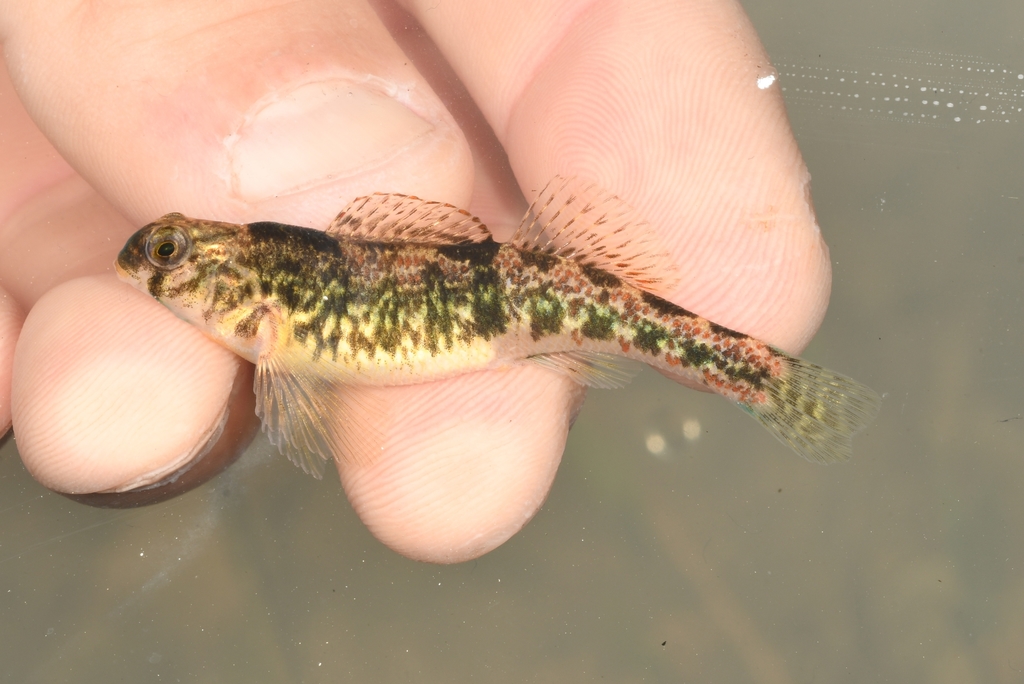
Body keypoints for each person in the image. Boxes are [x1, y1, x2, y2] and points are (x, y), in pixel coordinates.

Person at [0, 0, 831, 563]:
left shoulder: (273, 292)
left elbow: (297, 397)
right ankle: (777, 385)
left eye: (173, 254)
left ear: (239, 276)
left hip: (523, 299)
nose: (159, 269)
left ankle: (765, 378)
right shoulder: (269, 321)